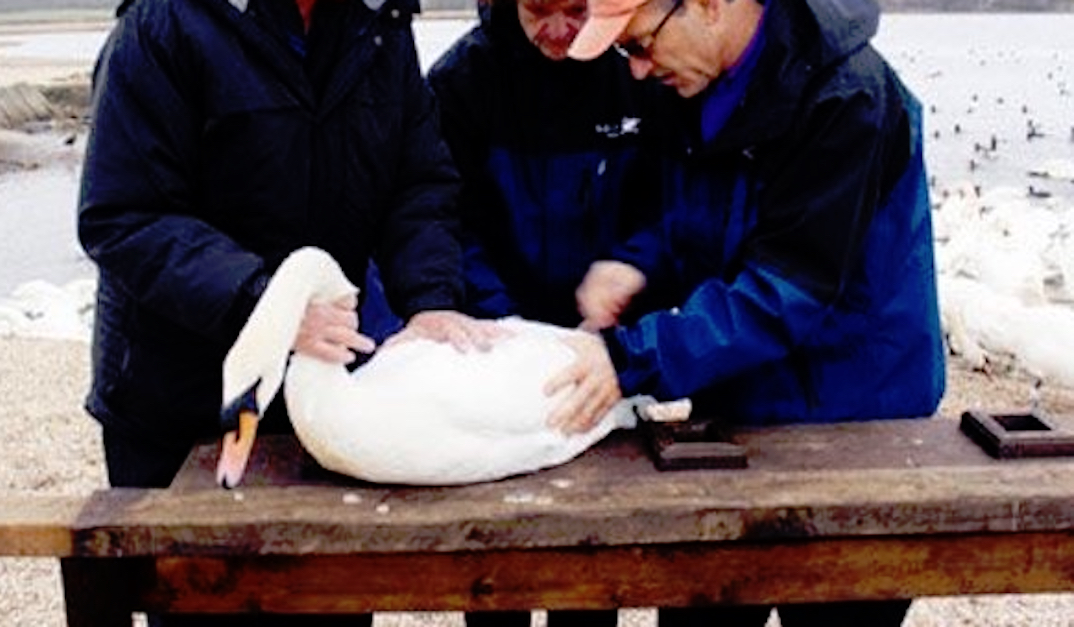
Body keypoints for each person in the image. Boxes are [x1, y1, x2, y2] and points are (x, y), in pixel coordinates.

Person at [78, 0, 494, 625]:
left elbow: (419, 184)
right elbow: (124, 215)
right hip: (179, 403)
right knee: (202, 604)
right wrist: (265, 304)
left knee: (329, 600)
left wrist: (429, 301)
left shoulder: (380, 25)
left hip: (318, 400)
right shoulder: (162, 27)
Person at [546, 0, 947, 624]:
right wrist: (636, 265)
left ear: (709, 7)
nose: (637, 70)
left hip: (857, 422)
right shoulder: (685, 81)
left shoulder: (850, 97)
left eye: (639, 44)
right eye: (625, 51)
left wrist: (629, 357)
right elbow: (682, 217)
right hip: (739, 405)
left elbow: (790, 289)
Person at [426, 0, 652, 625]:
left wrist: (629, 277)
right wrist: (506, 326)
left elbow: (661, 205)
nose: (558, 32)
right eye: (537, 10)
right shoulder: (459, 83)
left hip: (602, 347)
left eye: (575, 10)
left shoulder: (638, 68)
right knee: (496, 560)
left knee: (590, 557)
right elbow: (448, 220)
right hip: (498, 342)